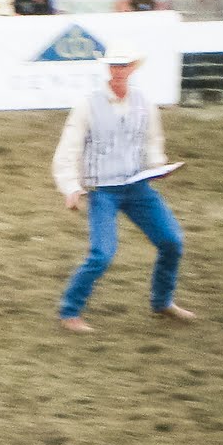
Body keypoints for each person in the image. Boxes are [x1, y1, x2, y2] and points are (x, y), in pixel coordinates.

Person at [52, 42, 194, 334]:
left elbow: (152, 140)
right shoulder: (88, 105)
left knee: (172, 241)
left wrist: (157, 166)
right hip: (103, 189)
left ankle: (162, 301)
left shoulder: (144, 103)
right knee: (102, 254)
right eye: (114, 66)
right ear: (109, 69)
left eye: (123, 66)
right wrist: (70, 186)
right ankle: (70, 311)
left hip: (137, 185)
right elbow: (69, 147)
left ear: (131, 69)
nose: (118, 71)